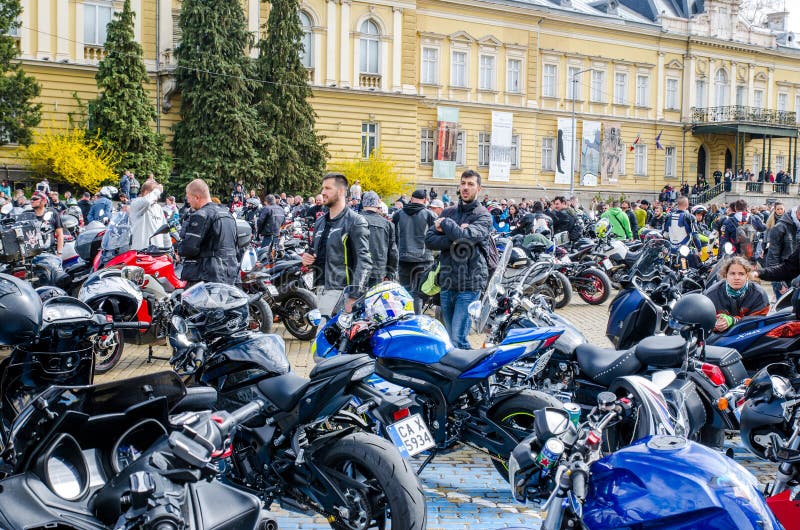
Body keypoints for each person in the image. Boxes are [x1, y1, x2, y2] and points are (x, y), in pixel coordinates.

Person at [425, 169, 492, 349]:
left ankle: (471, 374)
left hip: (469, 284)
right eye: (463, 183)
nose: (465, 187)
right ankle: (452, 373)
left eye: (470, 184)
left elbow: (465, 238)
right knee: (447, 337)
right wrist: (456, 235)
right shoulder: (448, 211)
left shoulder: (483, 215)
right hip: (447, 281)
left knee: (458, 338)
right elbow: (429, 240)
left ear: (479, 188)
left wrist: (447, 225)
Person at [301, 173, 373, 322]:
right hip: (320, 288)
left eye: (328, 188)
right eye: (322, 188)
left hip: (341, 290)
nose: (323, 192)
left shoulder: (355, 221)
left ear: (341, 191)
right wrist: (307, 259)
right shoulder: (320, 221)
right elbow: (317, 254)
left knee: (322, 339)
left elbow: (364, 261)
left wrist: (353, 297)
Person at [177, 179, 239, 285]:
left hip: (206, 275)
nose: (188, 201)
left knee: (189, 300)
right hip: (230, 273)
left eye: (189, 197)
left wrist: (179, 249)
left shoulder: (201, 215)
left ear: (197, 197)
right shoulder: (227, 213)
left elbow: (189, 248)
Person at [393, 189, 436, 313]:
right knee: (417, 293)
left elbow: (393, 236)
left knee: (405, 290)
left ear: (411, 198)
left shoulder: (398, 214)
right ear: (425, 200)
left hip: (403, 258)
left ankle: (405, 318)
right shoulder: (429, 215)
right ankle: (416, 320)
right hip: (423, 260)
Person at [705, 257, 769, 332]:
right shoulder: (711, 294)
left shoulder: (759, 294)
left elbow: (757, 322)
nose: (736, 278)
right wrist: (716, 324)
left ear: (747, 276)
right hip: (719, 338)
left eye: (741, 274)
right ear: (725, 275)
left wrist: (733, 321)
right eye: (732, 274)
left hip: (748, 336)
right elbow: (705, 321)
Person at [361, 191, 398, 286]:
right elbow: (393, 251)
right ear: (377, 205)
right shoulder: (388, 224)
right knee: (374, 299)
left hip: (357, 269)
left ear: (363, 203)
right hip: (379, 270)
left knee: (355, 299)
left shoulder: (354, 220)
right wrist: (390, 273)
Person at [765, 205, 799, 299]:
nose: (780, 211)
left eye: (781, 209)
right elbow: (772, 257)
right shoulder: (780, 227)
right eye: (778, 209)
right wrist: (778, 282)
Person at [130, 179, 169, 251]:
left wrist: (169, 249)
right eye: (154, 192)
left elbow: (164, 230)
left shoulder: (158, 208)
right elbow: (147, 201)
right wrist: (157, 190)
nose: (158, 196)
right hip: (140, 253)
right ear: (145, 192)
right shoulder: (136, 203)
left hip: (158, 253)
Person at [30, 191, 64, 255]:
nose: (32, 201)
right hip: (31, 254)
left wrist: (59, 253)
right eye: (31, 199)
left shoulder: (53, 213)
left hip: (49, 252)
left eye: (35, 199)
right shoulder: (26, 215)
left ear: (44, 201)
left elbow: (60, 235)